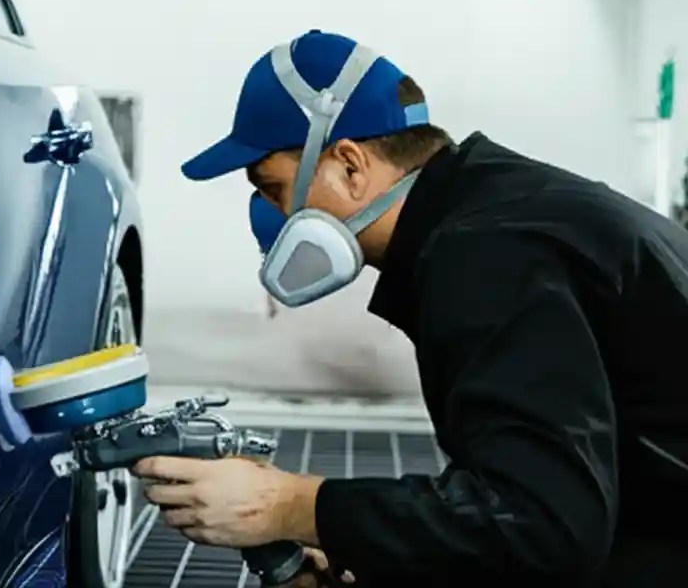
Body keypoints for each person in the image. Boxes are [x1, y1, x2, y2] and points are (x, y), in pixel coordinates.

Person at [132, 29, 688, 586]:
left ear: (350, 166)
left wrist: (289, 506)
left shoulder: (486, 258)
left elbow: (543, 529)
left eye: (272, 188)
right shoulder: (495, 211)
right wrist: (367, 549)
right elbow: (536, 496)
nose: (269, 216)